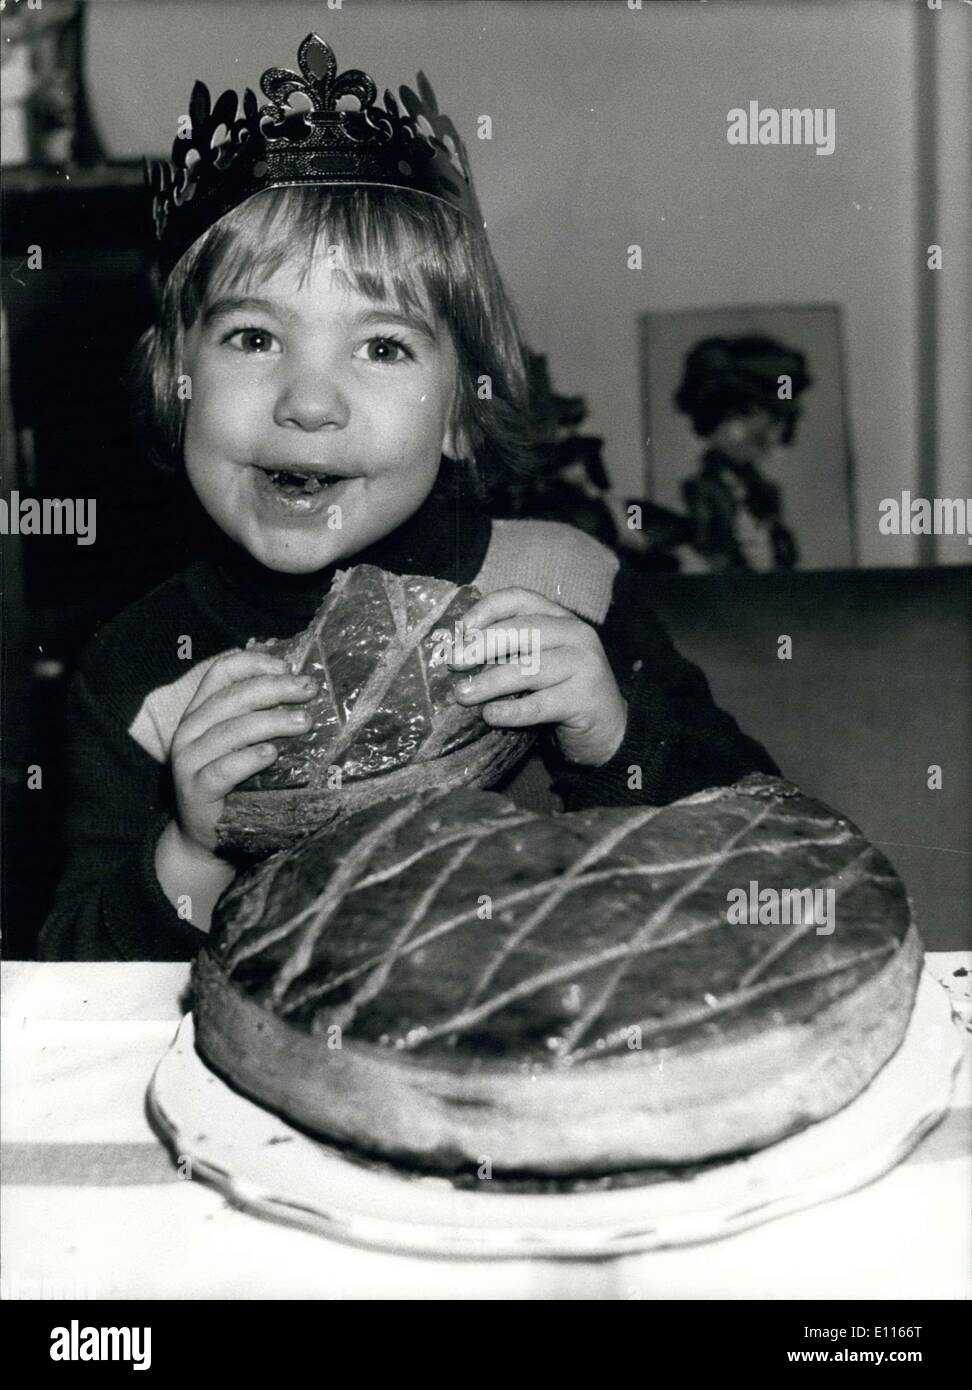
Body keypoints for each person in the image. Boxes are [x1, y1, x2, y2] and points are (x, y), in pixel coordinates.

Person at [39, 33, 778, 961]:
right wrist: (191, 850)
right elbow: (69, 1001)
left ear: (462, 413)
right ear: (174, 383)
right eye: (253, 339)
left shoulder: (561, 584)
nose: (308, 402)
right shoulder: (137, 674)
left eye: (383, 347)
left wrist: (611, 733)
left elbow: (758, 853)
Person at [674, 335, 810, 571]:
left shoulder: (764, 491)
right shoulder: (703, 491)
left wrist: (770, 560)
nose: (768, 434)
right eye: (743, 415)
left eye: (775, 421)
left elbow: (786, 558)